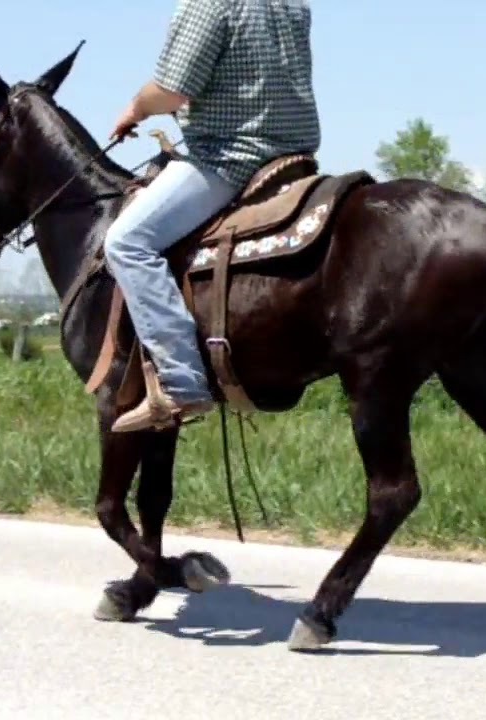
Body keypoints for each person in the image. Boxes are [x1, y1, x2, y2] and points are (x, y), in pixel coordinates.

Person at [103, 0, 321, 433]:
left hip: (230, 158)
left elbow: (171, 91)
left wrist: (137, 107)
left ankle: (181, 383)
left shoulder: (208, 3)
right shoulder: (293, 4)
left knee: (126, 242)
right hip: (295, 157)